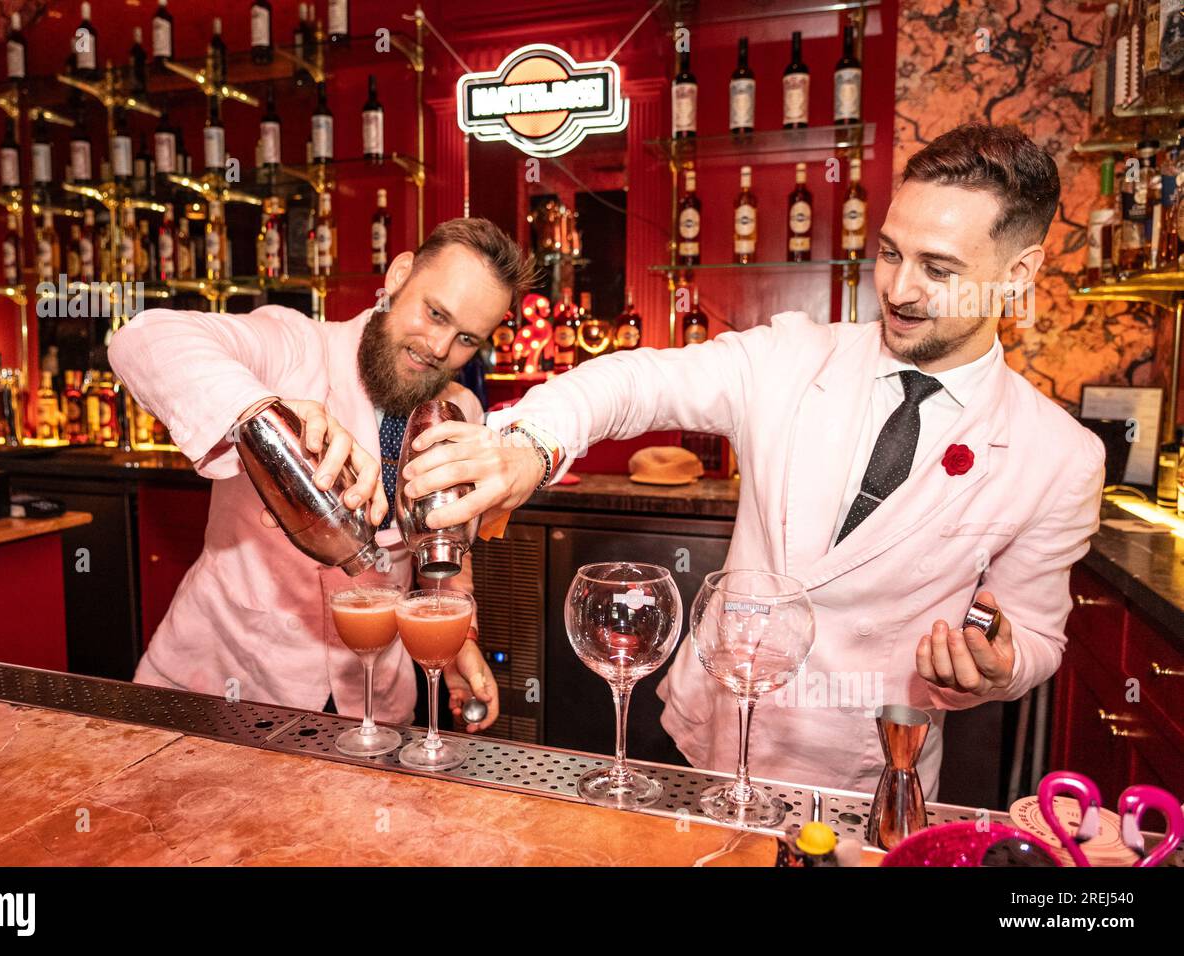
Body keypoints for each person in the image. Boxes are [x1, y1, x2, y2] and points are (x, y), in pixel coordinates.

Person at [398, 124, 1105, 799]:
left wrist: (998, 666)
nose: (899, 289)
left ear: (1018, 273)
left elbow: (1037, 636)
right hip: (708, 733)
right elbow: (634, 382)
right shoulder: (792, 356)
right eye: (891, 253)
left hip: (867, 767)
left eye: (938, 269)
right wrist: (529, 445)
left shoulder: (1058, 457)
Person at [108, 217, 536, 732]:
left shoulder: (459, 408)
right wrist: (265, 414)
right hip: (228, 687)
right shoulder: (295, 345)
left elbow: (444, 547)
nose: (441, 347)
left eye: (466, 337)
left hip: (374, 701)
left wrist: (460, 640)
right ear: (400, 275)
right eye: (435, 313)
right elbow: (144, 337)